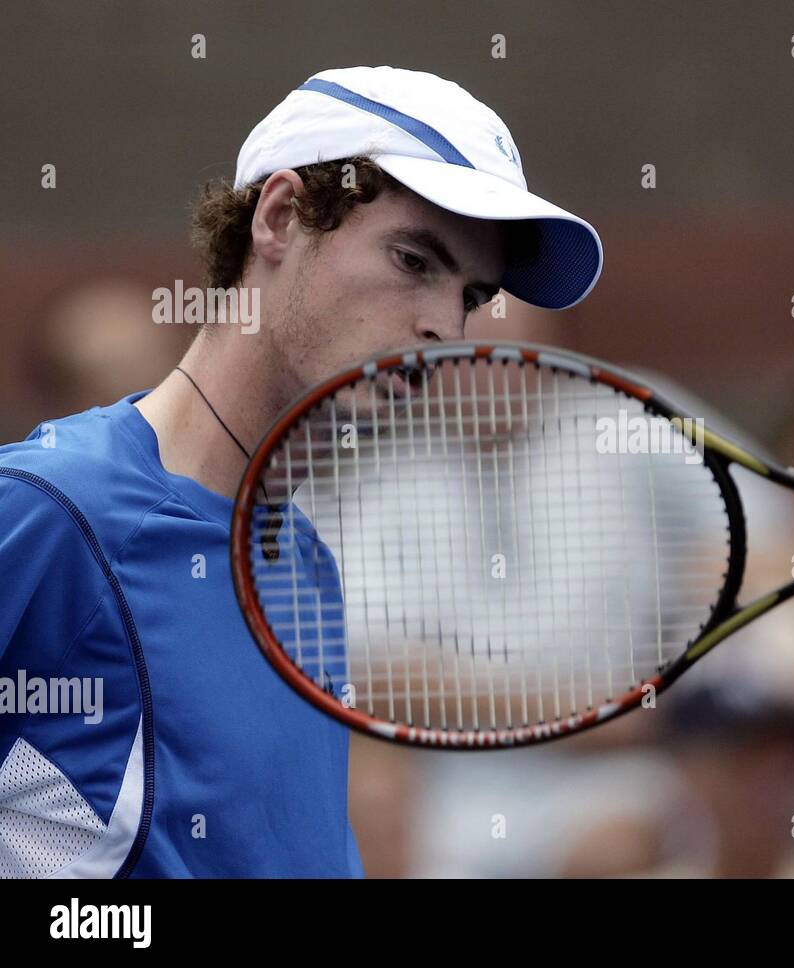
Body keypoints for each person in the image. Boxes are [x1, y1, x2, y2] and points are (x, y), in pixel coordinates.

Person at [0, 66, 601, 877]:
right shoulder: (45, 510)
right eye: (414, 259)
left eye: (471, 292)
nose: (444, 325)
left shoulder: (299, 557)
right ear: (280, 217)